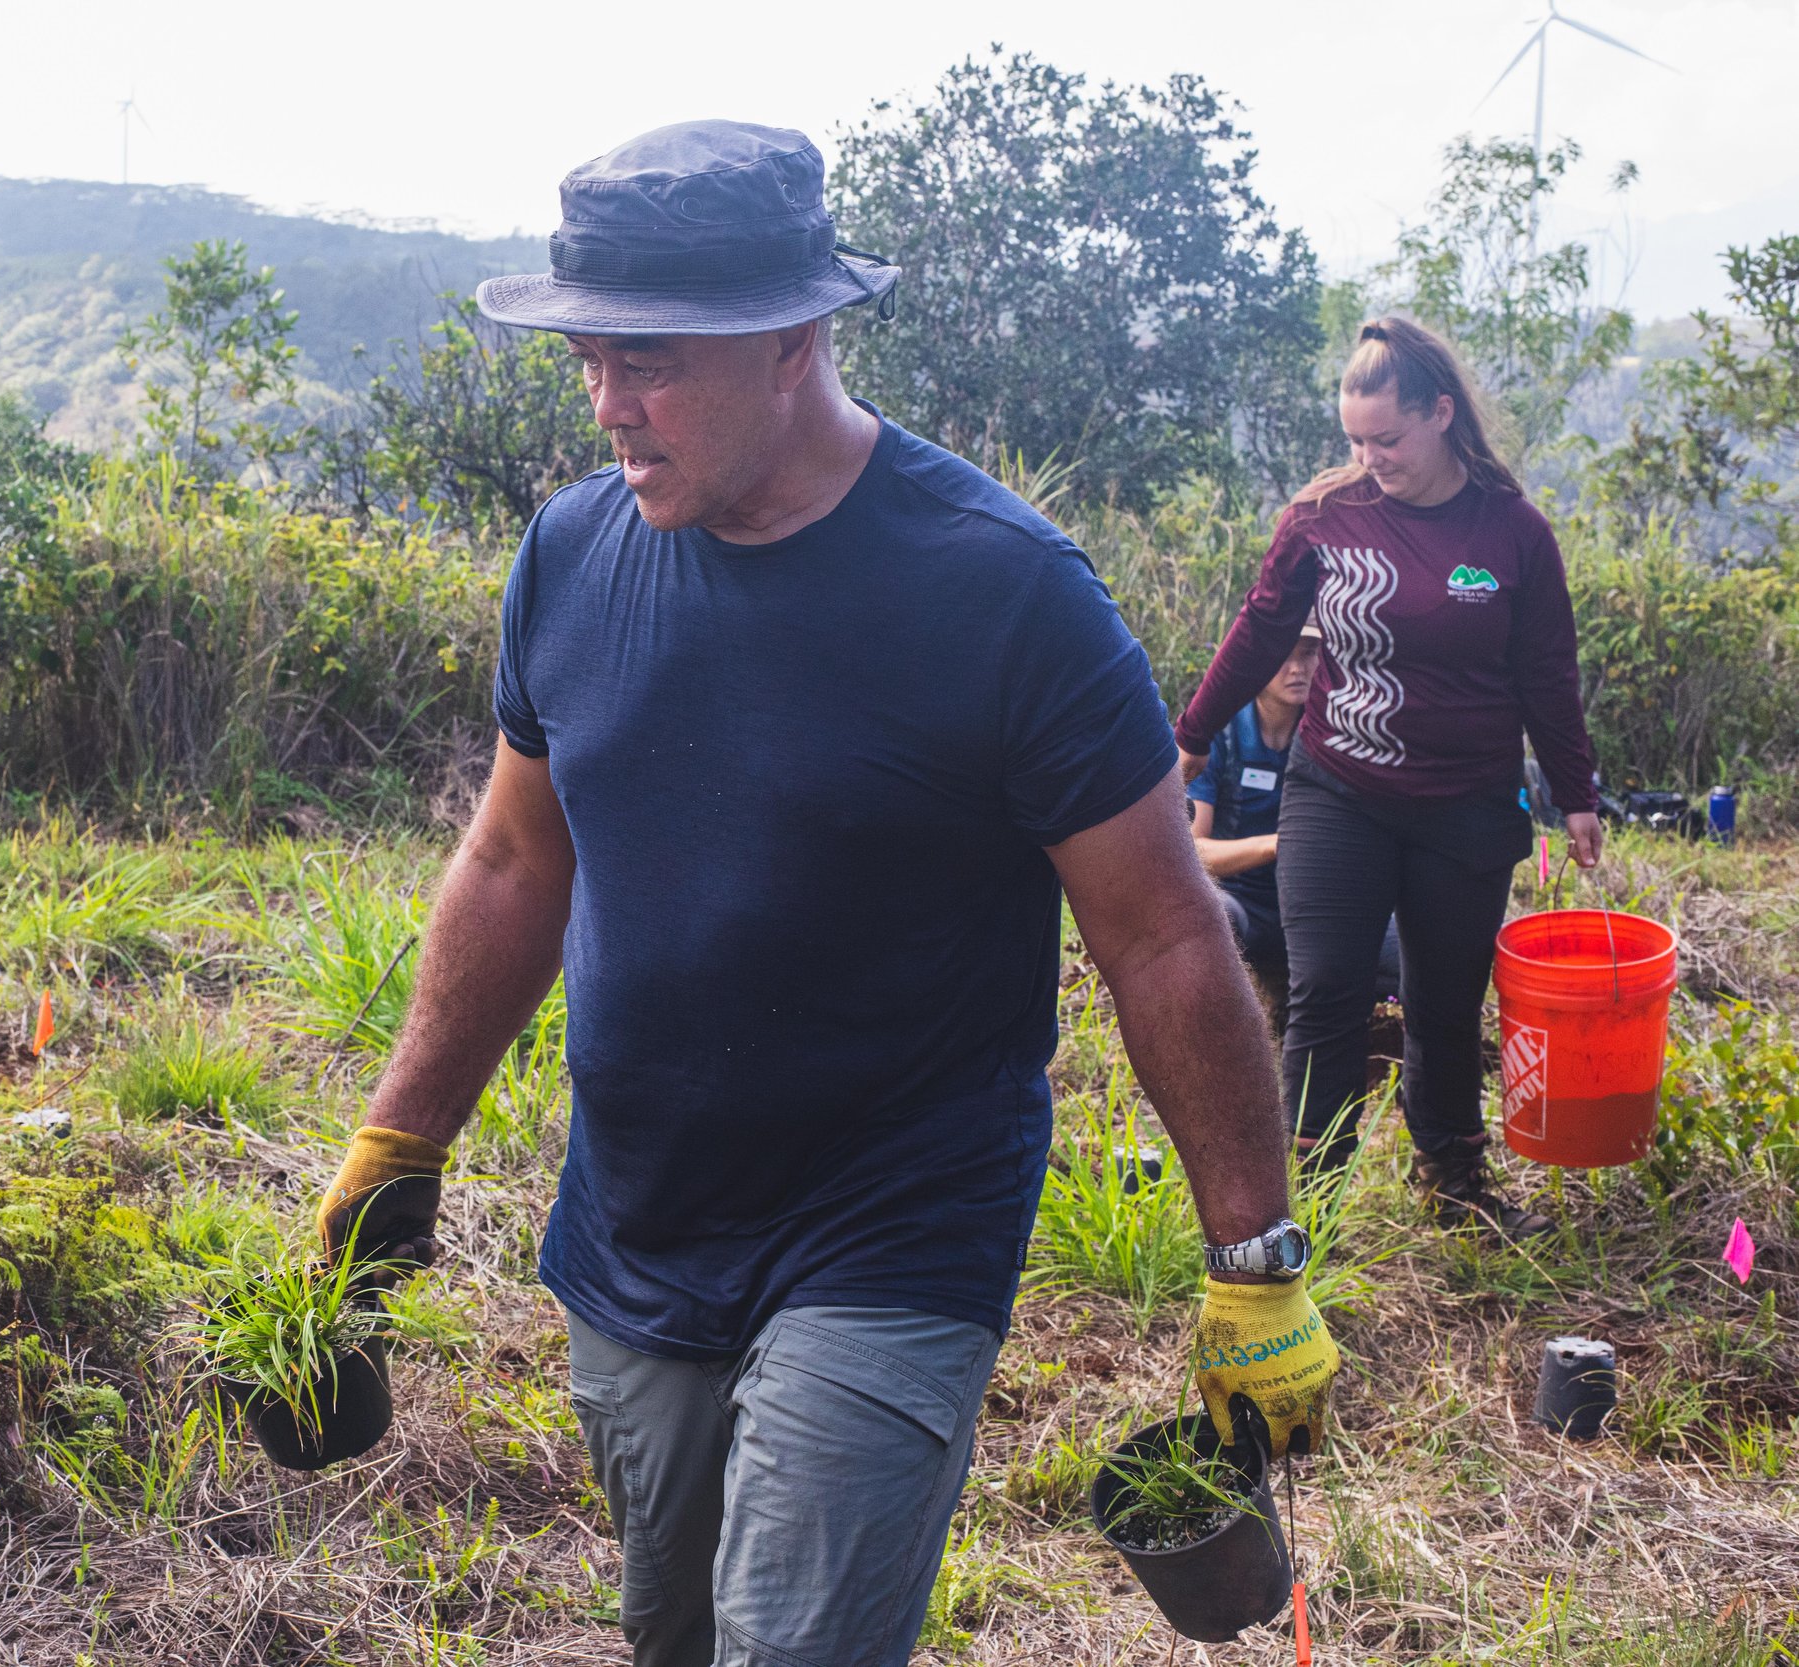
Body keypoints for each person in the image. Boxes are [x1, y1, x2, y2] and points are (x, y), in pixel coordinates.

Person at [314, 121, 1338, 1667]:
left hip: (893, 1226)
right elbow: (519, 859)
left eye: (651, 360)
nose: (611, 406)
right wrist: (400, 1139)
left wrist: (1250, 1259)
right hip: (642, 1225)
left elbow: (1162, 930)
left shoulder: (1001, 589)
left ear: (794, 337)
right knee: (674, 1630)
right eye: (591, 359)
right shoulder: (575, 554)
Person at [1176, 316, 1602, 1235]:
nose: (1370, 458)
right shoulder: (1324, 521)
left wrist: (1576, 794)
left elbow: (1546, 671)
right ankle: (1305, 1208)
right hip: (1340, 790)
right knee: (1327, 986)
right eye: (1356, 440)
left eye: (1389, 439)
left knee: (1443, 1000)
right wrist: (1195, 733)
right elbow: (1257, 629)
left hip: (1469, 805)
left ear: (1441, 413)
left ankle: (1454, 1183)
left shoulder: (1510, 530)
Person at [1187, 621, 1401, 1020]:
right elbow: (1194, 852)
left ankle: (1304, 1001)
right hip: (1241, 899)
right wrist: (1282, 844)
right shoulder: (1219, 731)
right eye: (1283, 655)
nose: (1298, 668)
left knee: (1406, 959)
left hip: (1317, 902)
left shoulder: (1337, 731)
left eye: (1307, 653)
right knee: (1210, 919)